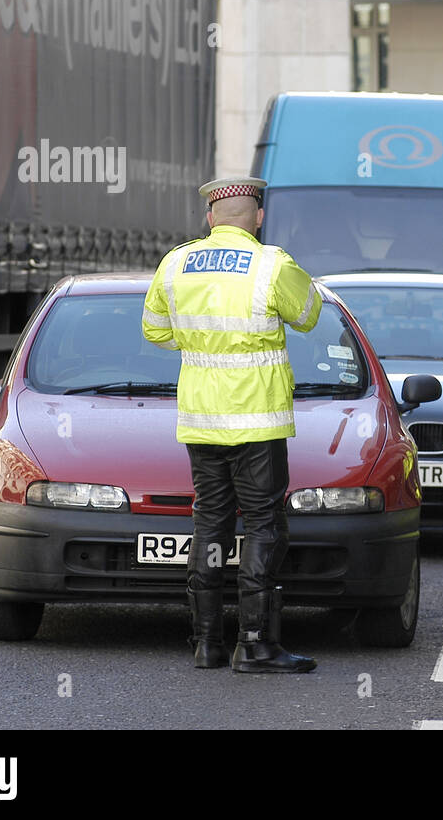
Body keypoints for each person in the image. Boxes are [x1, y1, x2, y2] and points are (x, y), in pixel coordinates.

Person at [142, 177, 323, 672]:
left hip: (201, 422)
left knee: (210, 525)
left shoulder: (176, 263)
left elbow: (155, 329)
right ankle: (257, 644)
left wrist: (203, 345)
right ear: (258, 217)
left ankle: (206, 643)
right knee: (264, 526)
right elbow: (309, 314)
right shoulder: (271, 264)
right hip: (258, 422)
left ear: (210, 218)